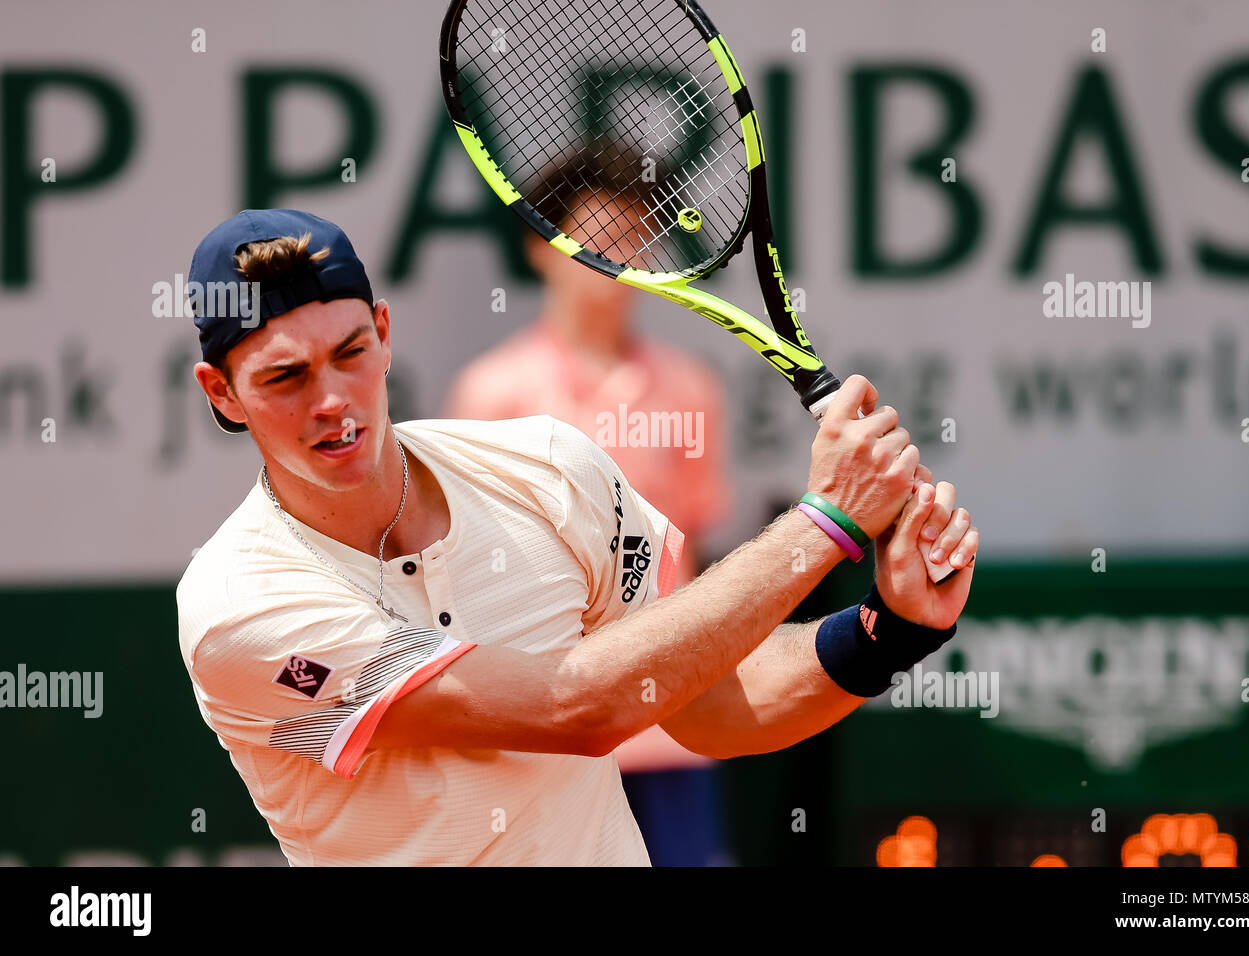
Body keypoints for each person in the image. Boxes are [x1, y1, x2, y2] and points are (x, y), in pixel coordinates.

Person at [176, 208, 980, 866]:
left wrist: (889, 628)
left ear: (384, 333)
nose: (332, 400)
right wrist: (827, 523)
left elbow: (707, 704)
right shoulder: (240, 608)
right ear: (223, 393)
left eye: (350, 353)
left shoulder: (550, 467)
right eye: (285, 377)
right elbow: (577, 709)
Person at [442, 161, 735, 865]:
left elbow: (692, 551)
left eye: (634, 234)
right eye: (595, 233)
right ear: (541, 246)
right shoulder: (490, 396)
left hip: (672, 727)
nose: (616, 254)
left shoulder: (692, 389)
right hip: (550, 735)